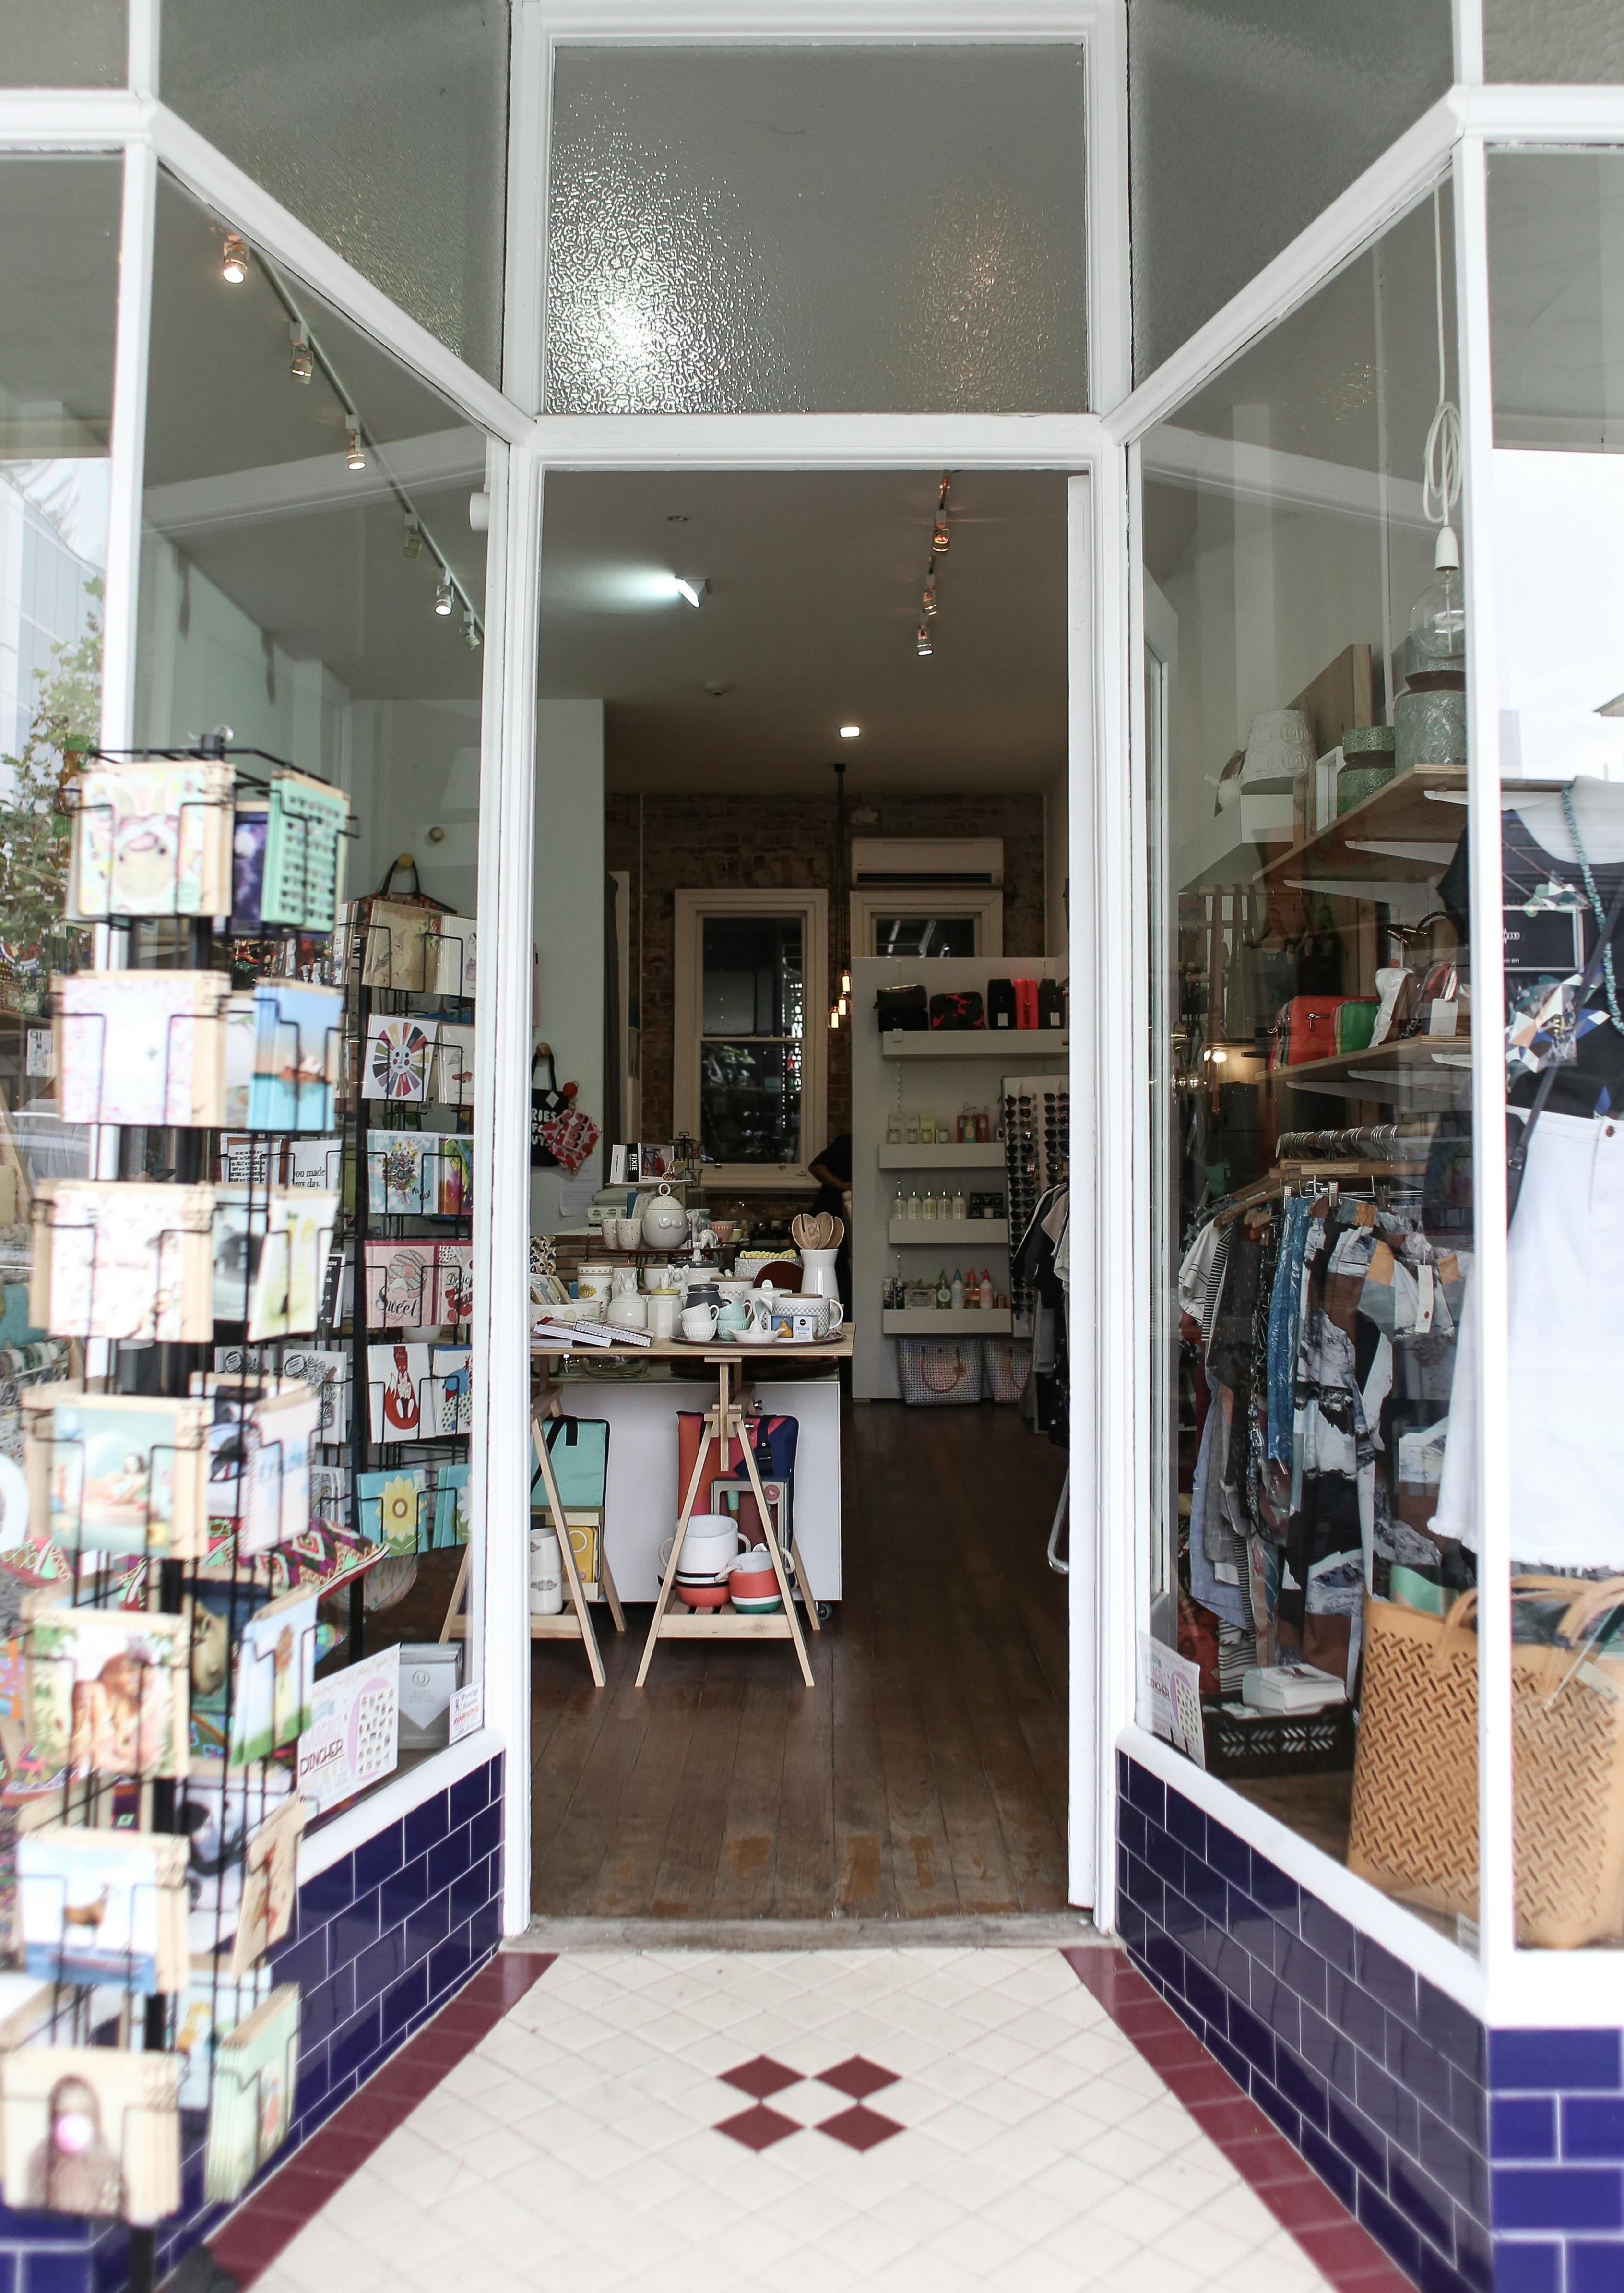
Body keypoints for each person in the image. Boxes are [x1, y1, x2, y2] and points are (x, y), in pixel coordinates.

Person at [807, 1132, 852, 1312]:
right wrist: (843, 1186)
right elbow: (816, 1167)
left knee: (843, 1273)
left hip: (846, 1221)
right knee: (833, 1272)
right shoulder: (848, 1142)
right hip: (828, 1218)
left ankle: (842, 1315)